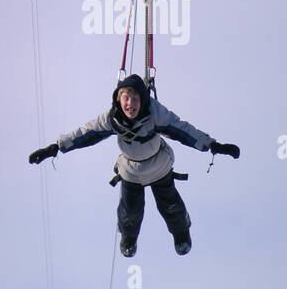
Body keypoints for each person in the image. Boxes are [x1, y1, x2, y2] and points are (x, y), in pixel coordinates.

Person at [29, 73, 239, 256]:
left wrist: (213, 145)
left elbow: (182, 130)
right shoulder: (112, 118)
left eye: (135, 99)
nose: (130, 104)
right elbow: (85, 133)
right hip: (131, 171)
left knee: (171, 205)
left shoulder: (155, 113)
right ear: (119, 100)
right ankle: (128, 239)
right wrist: (55, 148)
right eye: (126, 98)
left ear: (143, 100)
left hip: (158, 166)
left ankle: (181, 234)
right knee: (130, 211)